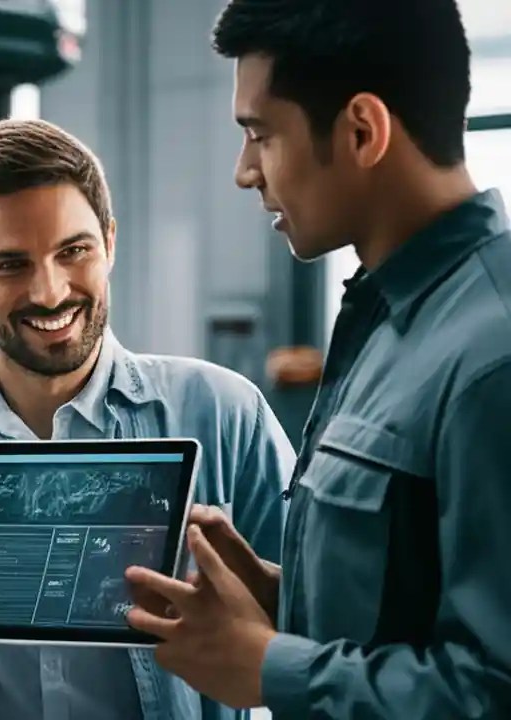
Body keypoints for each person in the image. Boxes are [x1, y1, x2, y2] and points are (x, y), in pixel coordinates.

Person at [0, 118, 294, 720]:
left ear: (109, 243)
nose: (50, 291)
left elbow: (312, 626)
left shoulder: (224, 414)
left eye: (74, 251)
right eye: (10, 265)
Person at [125, 1, 511, 718]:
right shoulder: (384, 319)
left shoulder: (494, 354)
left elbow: (493, 690)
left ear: (363, 130)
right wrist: (273, 596)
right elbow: (403, 615)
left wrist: (270, 668)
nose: (246, 172)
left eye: (260, 135)